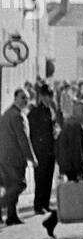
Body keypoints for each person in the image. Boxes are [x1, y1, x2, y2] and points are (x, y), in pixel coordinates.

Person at [42, 100, 83, 238]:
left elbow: (58, 147)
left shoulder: (68, 124)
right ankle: (54, 221)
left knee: (77, 197)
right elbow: (76, 151)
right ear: (80, 112)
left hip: (69, 166)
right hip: (74, 167)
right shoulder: (75, 127)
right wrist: (80, 170)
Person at [0, 87, 37, 226]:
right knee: (19, 184)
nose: (25, 101)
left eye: (27, 98)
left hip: (5, 157)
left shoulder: (8, 113)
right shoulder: (17, 116)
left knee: (10, 185)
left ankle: (12, 215)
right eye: (22, 97)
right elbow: (23, 139)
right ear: (15, 98)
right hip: (14, 158)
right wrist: (32, 157)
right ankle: (3, 207)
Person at [28, 85, 59, 214]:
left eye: (50, 96)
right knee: (40, 178)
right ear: (41, 96)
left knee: (48, 177)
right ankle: (38, 205)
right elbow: (31, 132)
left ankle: (45, 204)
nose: (49, 99)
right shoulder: (35, 111)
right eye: (46, 96)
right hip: (40, 150)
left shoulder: (49, 110)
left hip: (50, 148)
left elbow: (52, 126)